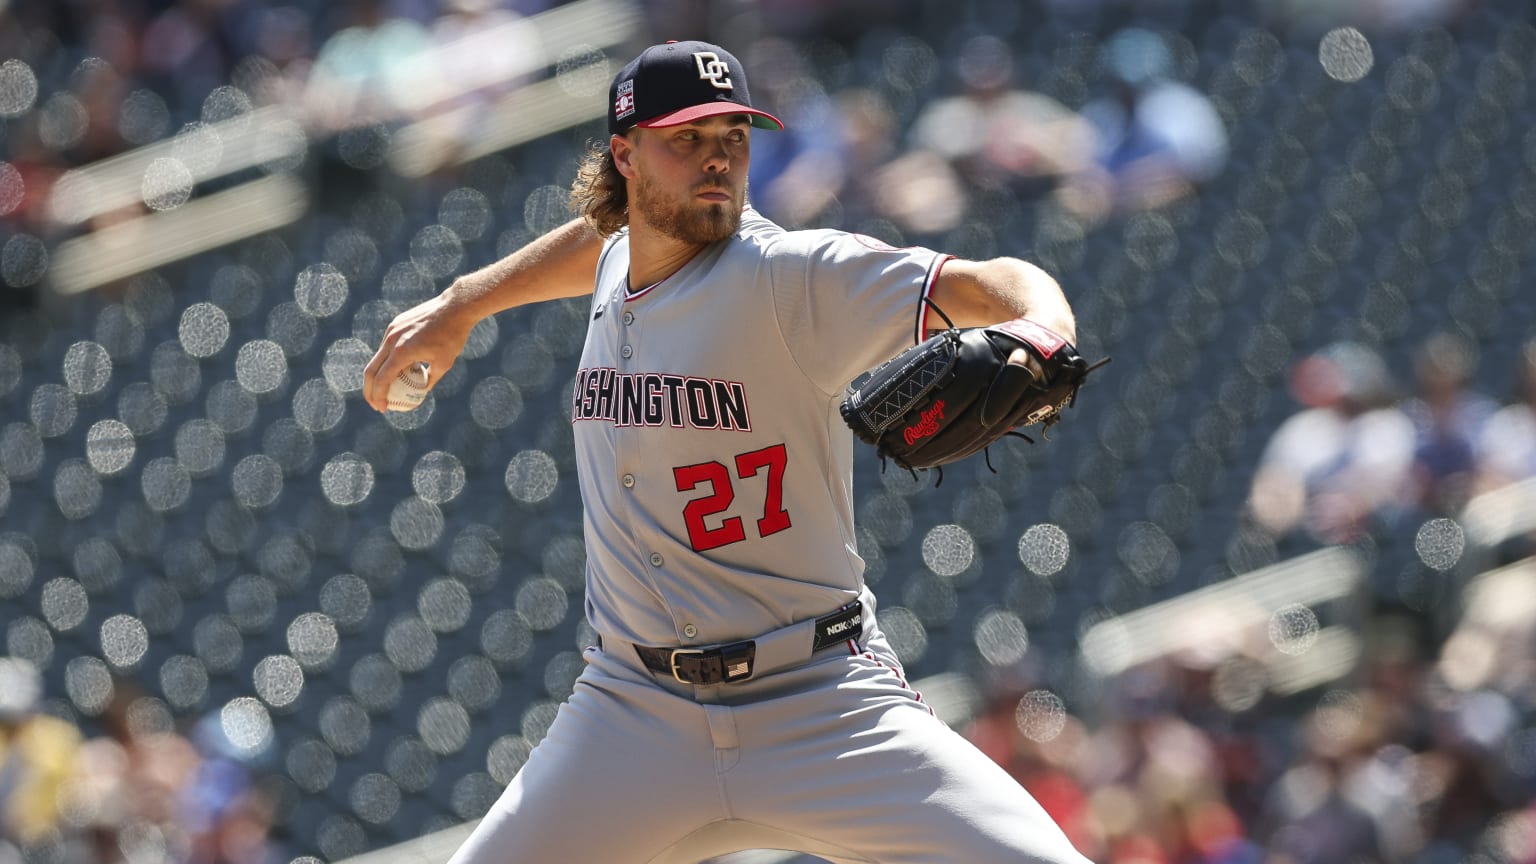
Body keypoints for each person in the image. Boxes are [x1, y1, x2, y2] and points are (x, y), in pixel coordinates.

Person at [363, 39, 1091, 864]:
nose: (717, 162)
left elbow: (990, 280)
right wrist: (464, 303)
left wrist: (1041, 327)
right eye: (687, 140)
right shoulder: (619, 260)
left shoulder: (788, 275)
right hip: (633, 712)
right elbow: (602, 241)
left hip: (823, 703)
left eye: (733, 139)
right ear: (625, 156)